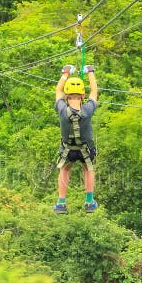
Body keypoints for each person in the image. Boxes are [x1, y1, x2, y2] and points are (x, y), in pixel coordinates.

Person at [53, 64, 98, 214]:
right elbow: (94, 92)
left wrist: (65, 73)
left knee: (65, 170)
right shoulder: (87, 110)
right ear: (82, 96)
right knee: (88, 170)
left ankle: (61, 203)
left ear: (66, 96)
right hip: (85, 148)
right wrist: (90, 72)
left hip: (68, 149)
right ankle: (89, 201)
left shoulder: (61, 109)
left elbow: (58, 90)